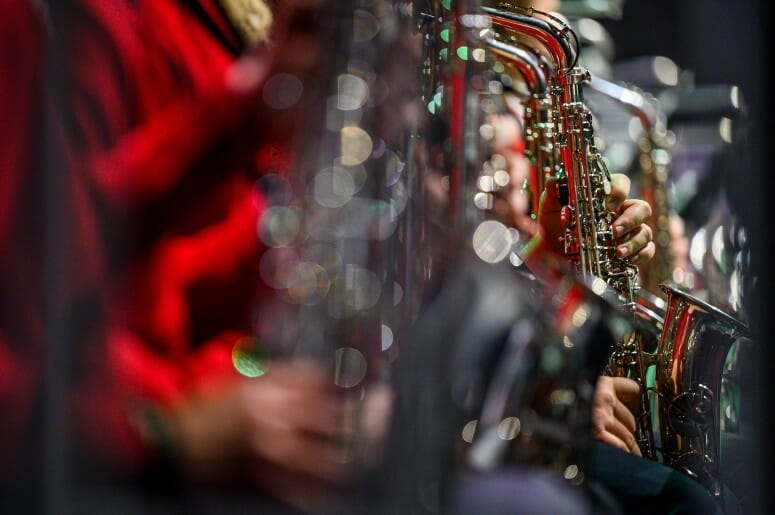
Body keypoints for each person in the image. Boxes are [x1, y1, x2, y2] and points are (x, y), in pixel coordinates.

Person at [49, 1, 351, 513]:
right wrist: (166, 439)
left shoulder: (252, 26)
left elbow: (228, 248)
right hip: (128, 446)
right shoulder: (109, 22)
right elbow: (62, 283)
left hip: (212, 407)